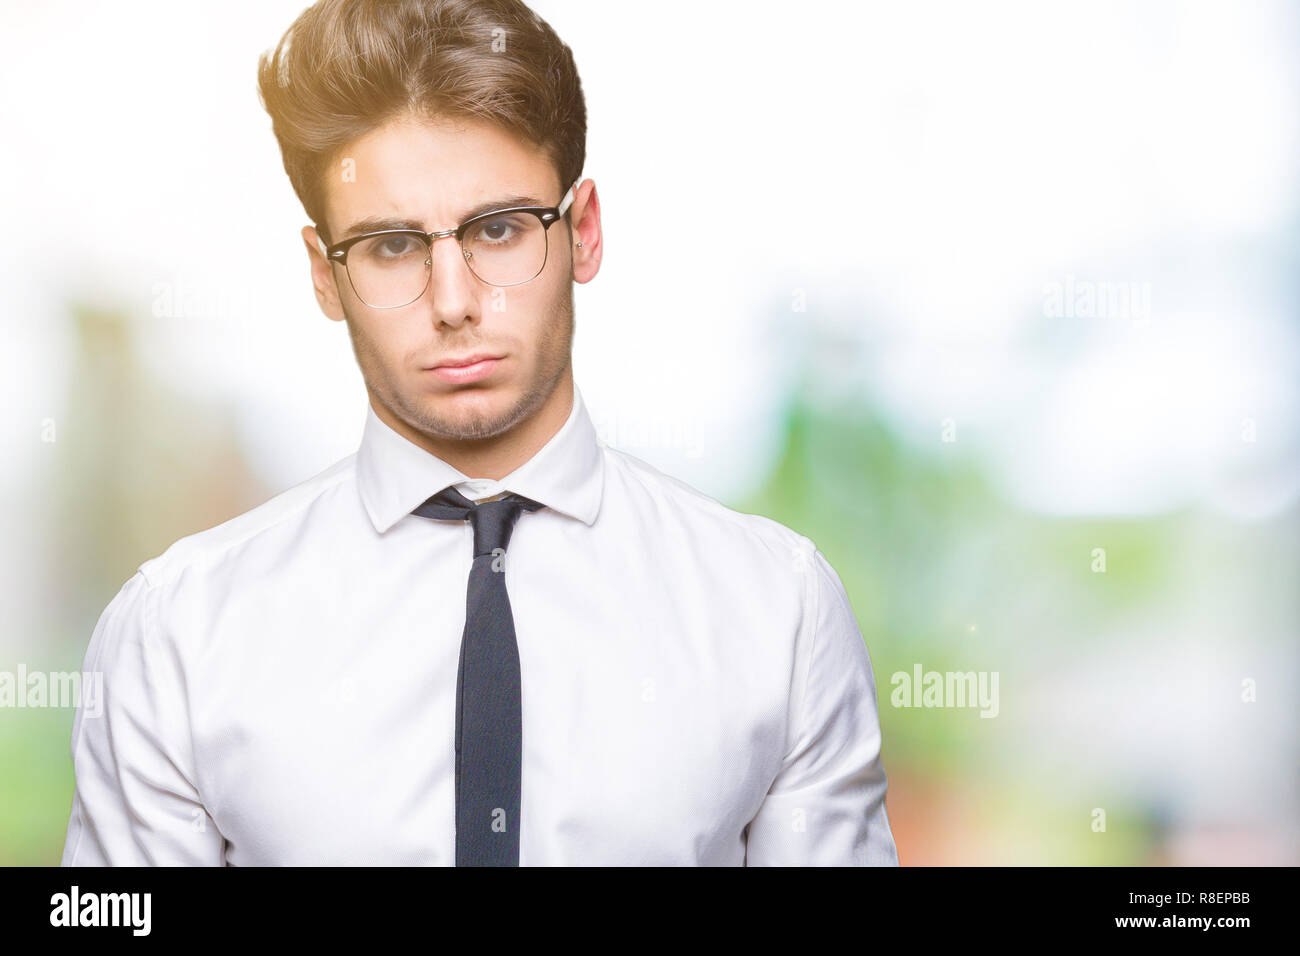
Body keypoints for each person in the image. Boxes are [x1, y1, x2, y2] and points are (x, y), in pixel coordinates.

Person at [59, 0, 898, 866]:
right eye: (390, 246)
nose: (454, 301)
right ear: (323, 274)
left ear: (584, 232)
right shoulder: (179, 632)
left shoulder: (776, 613)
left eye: (497, 230)